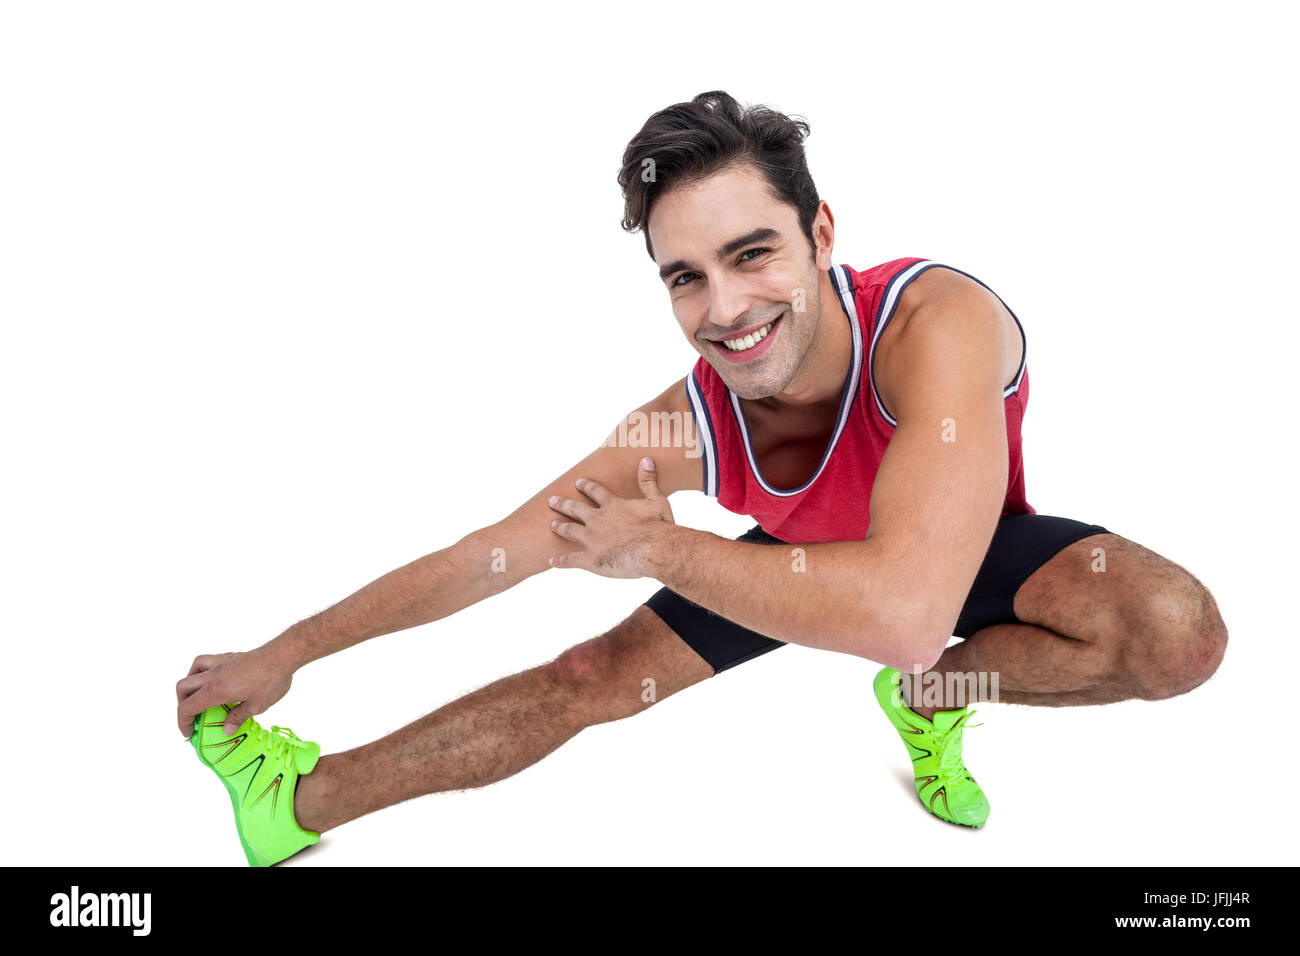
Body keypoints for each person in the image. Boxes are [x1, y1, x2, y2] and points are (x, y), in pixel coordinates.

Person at [176, 90, 1228, 865]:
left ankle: (931, 702)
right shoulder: (681, 426)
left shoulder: (931, 322)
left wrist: (657, 546)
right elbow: (483, 556)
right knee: (589, 676)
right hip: (802, 563)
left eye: (752, 252)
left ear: (821, 233)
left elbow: (907, 611)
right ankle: (293, 798)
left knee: (1174, 631)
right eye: (685, 276)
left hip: (947, 550)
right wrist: (288, 650)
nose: (724, 307)